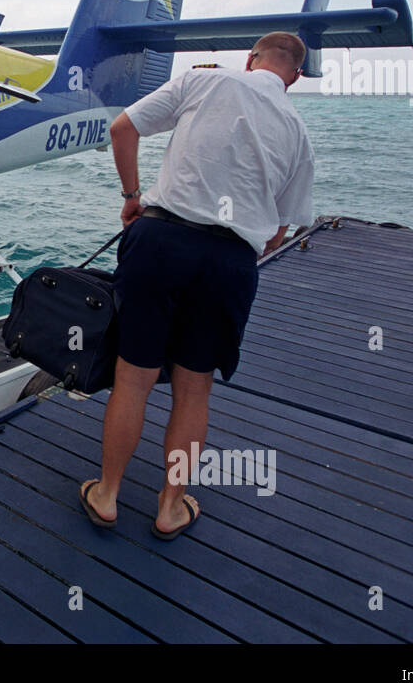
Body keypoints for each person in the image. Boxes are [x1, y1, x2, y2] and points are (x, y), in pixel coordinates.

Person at [79, 32, 314, 539]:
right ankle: (169, 507)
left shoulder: (203, 81)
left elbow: (123, 129)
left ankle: (107, 494)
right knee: (193, 390)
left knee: (133, 378)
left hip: (159, 238)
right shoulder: (297, 130)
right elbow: (277, 234)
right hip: (228, 260)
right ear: (293, 76)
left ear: (250, 60)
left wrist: (132, 196)